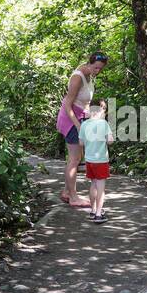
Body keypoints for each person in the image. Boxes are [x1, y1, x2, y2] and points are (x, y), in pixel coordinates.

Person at [56, 51, 108, 207]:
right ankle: (73, 197)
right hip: (71, 120)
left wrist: (99, 104)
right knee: (75, 159)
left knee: (76, 157)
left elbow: (83, 98)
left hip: (80, 118)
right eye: (96, 67)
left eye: (101, 69)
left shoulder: (88, 74)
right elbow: (67, 103)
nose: (97, 71)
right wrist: (78, 127)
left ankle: (66, 192)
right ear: (89, 63)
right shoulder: (78, 76)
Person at [79, 102, 114, 222]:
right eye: (104, 111)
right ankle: (99, 214)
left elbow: (81, 143)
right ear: (99, 111)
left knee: (93, 185)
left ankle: (93, 210)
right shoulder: (103, 124)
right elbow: (110, 141)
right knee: (101, 188)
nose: (104, 113)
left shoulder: (84, 124)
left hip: (89, 160)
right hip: (101, 160)